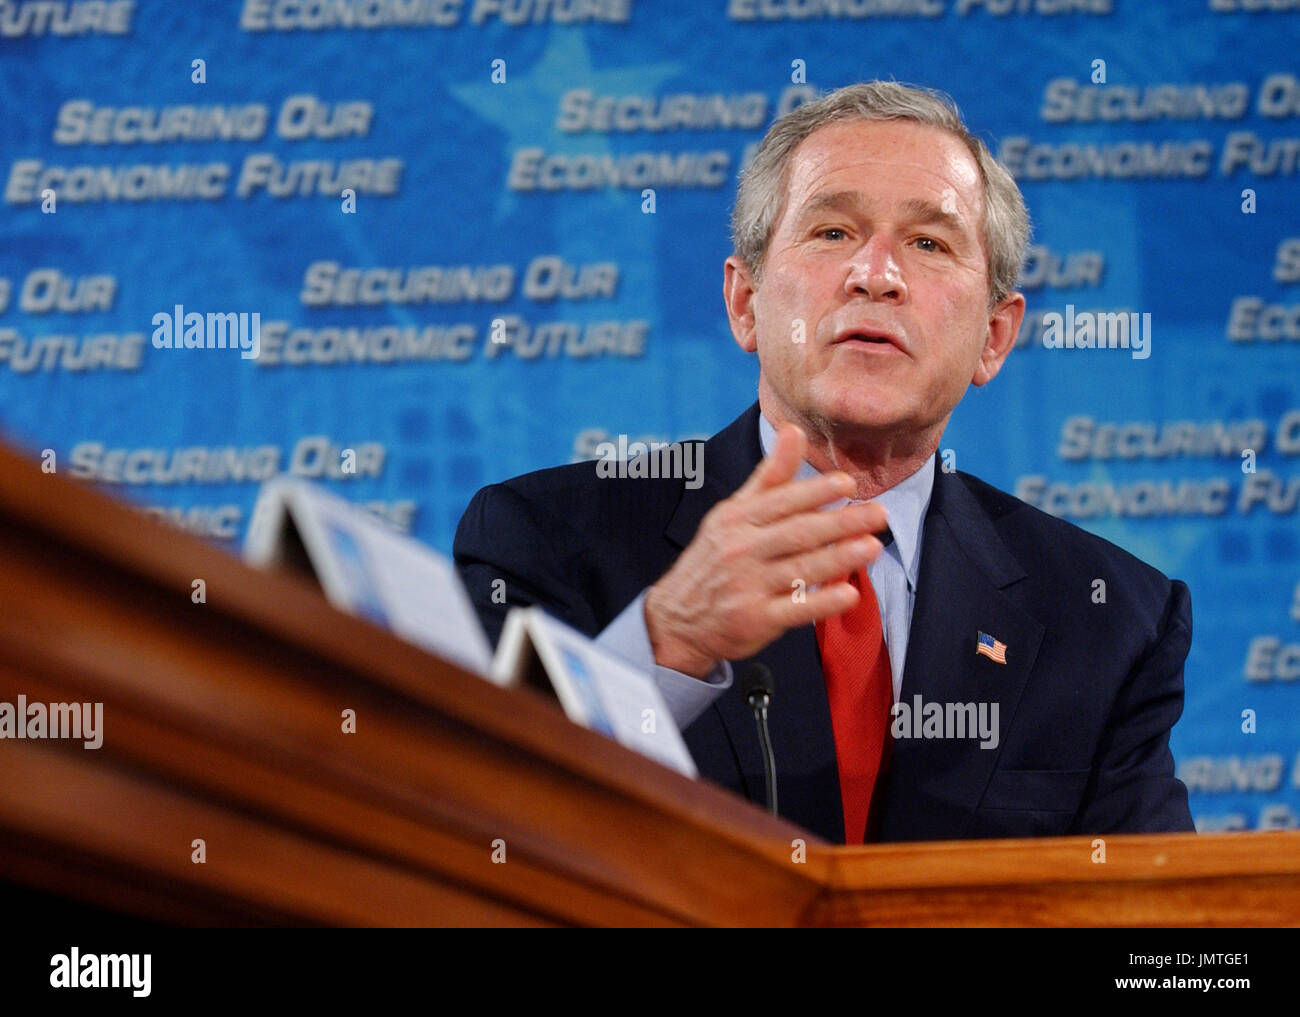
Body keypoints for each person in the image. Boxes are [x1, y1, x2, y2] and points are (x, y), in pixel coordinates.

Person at [454, 81, 1195, 844]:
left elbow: (1167, 945)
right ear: (744, 303)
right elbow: (470, 829)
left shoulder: (1108, 621)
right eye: (833, 231)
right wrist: (663, 643)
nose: (877, 274)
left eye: (929, 243)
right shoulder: (545, 539)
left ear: (995, 338)